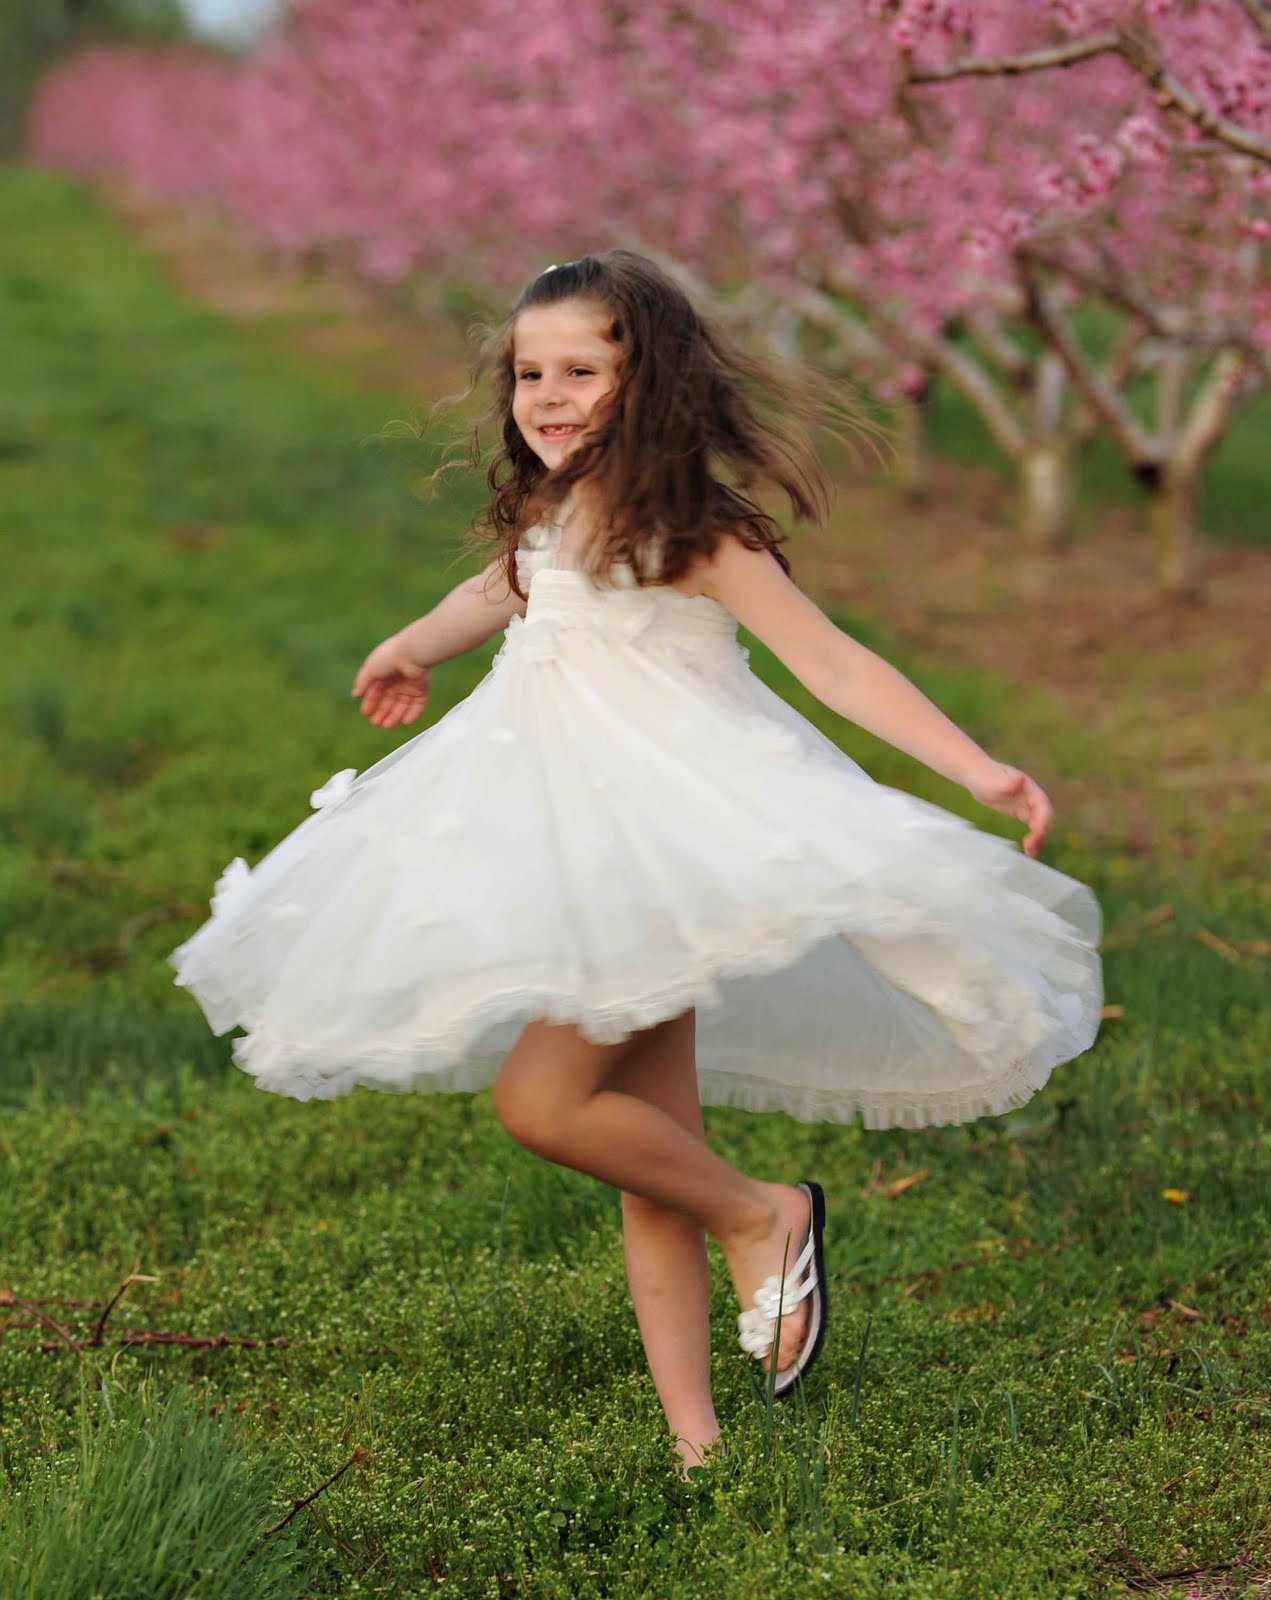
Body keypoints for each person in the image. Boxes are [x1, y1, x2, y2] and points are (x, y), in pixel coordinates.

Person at [170, 250, 1102, 1478]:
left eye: (581, 372)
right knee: (648, 1148)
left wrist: (973, 765)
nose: (547, 397)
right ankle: (696, 1443)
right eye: (528, 374)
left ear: (645, 380)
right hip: (576, 851)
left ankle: (763, 1213)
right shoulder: (549, 515)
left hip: (666, 847)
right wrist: (408, 644)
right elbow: (493, 589)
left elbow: (832, 665)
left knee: (546, 1104)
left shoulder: (693, 532)